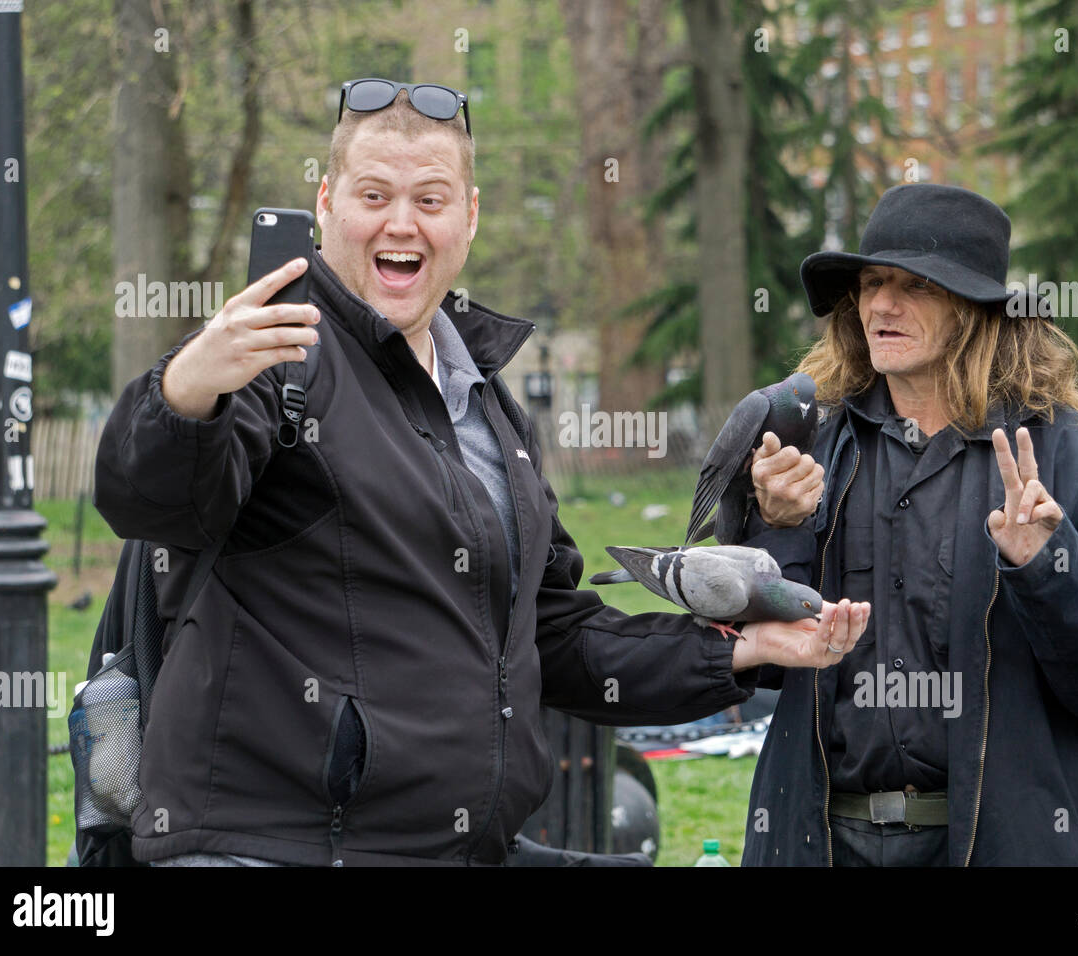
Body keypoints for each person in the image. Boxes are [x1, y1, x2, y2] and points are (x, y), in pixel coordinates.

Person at [93, 79, 869, 867]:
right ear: (326, 204)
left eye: (431, 200)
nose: (402, 223)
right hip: (276, 849)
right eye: (373, 195)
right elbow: (149, 500)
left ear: (470, 218)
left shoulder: (487, 403)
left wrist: (740, 650)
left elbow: (554, 636)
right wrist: (187, 389)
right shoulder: (274, 359)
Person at [731, 183, 1078, 866]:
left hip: (1001, 845)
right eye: (872, 282)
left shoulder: (1073, 457)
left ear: (976, 310)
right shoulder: (807, 447)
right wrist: (776, 525)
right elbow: (753, 668)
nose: (881, 304)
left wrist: (1044, 567)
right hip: (819, 841)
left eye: (914, 286)